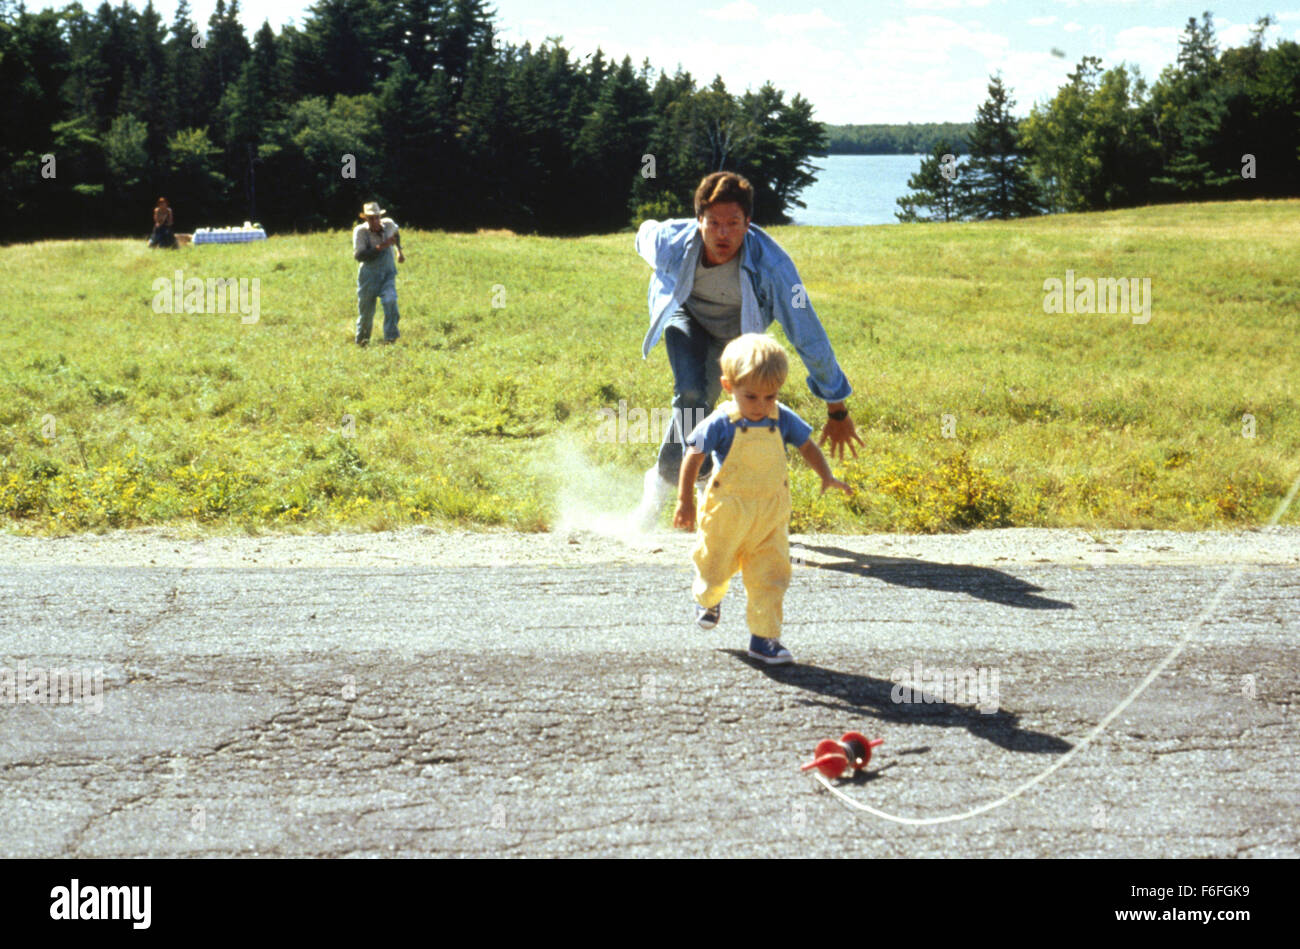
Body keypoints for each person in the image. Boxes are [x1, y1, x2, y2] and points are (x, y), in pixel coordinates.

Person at [632, 171, 862, 528]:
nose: (723, 234)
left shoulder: (774, 266)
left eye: (733, 223)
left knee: (725, 402)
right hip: (686, 316)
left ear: (748, 223)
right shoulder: (670, 242)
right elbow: (644, 234)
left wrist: (836, 407)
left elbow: (808, 333)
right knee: (693, 392)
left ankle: (686, 475)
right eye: (713, 223)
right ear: (699, 222)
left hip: (737, 332)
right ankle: (668, 484)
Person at [674, 334, 851, 665]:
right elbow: (694, 453)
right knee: (714, 568)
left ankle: (764, 638)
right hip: (726, 513)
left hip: (769, 514)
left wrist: (826, 475)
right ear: (728, 386)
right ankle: (708, 599)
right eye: (751, 396)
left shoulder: (780, 417)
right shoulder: (722, 422)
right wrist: (684, 500)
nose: (760, 405)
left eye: (771, 395)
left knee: (771, 577)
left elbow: (807, 446)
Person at [352, 201, 405, 345]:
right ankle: (362, 341)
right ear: (365, 219)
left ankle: (390, 339)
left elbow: (396, 234)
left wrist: (399, 251)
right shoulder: (361, 232)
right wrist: (381, 247)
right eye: (371, 218)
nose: (374, 221)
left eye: (376, 217)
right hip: (368, 277)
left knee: (390, 301)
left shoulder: (388, 224)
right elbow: (359, 255)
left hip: (387, 274)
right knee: (366, 314)